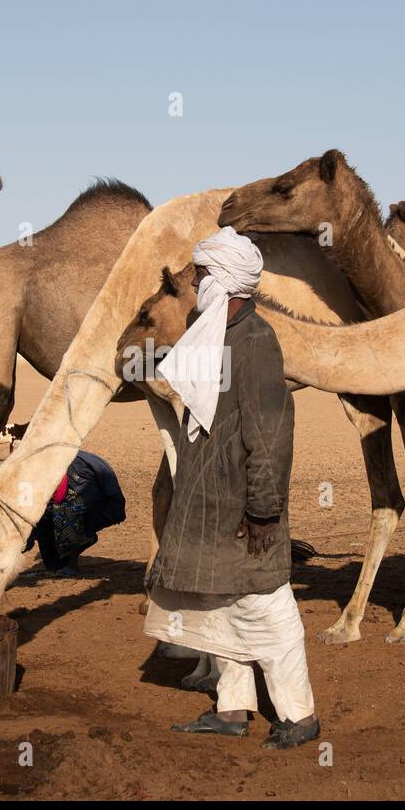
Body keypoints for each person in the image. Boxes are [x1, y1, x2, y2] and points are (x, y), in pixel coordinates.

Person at [142, 226, 320, 750]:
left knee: (269, 609)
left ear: (224, 280)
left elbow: (269, 437)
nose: (195, 284)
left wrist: (264, 512)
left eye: (201, 274)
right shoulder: (215, 335)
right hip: (209, 502)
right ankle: (231, 709)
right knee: (218, 605)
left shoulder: (257, 343)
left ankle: (299, 716)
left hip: (245, 510)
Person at [25, 450, 125, 574]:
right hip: (62, 502)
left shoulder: (79, 468)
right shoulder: (36, 470)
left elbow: (67, 497)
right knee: (43, 520)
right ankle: (55, 565)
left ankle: (72, 564)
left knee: (65, 513)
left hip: (87, 506)